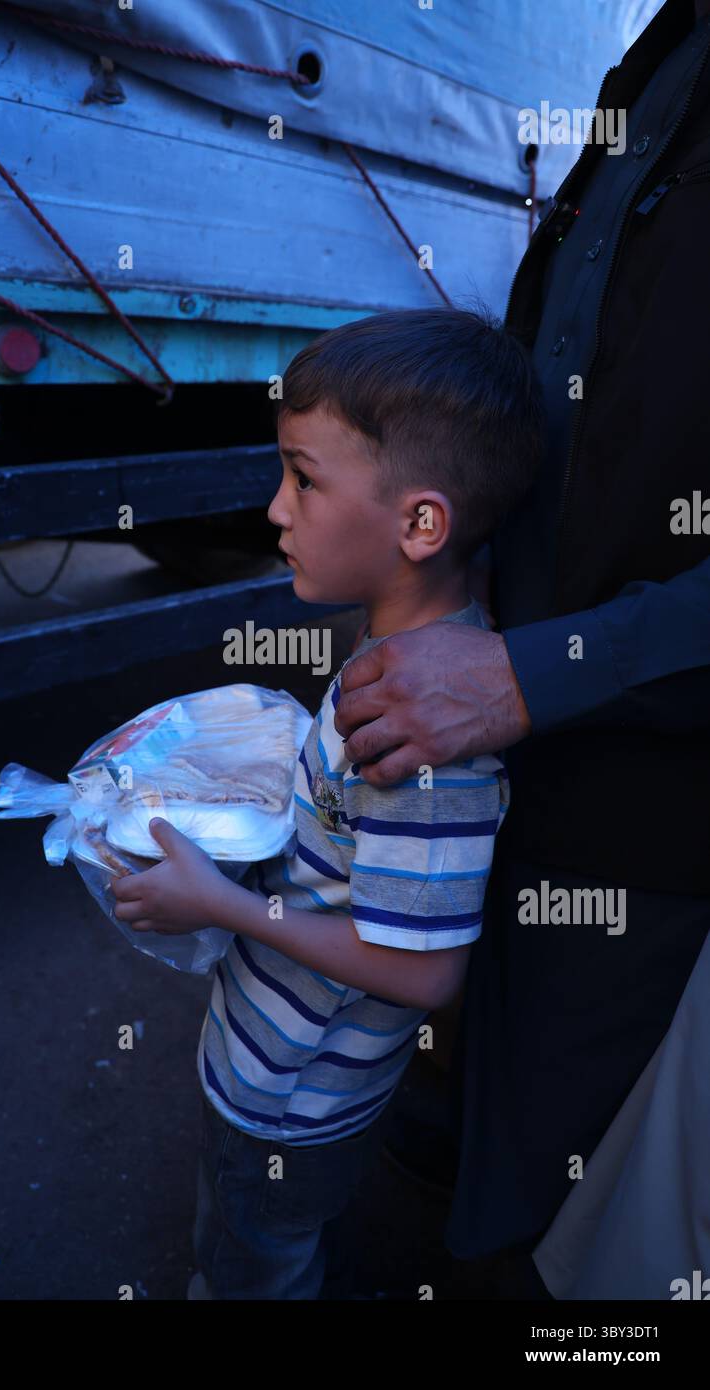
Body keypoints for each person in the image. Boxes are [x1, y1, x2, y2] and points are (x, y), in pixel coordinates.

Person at [332, 0, 710, 1295]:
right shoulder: (655, 56)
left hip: (643, 810)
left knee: (572, 1216)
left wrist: (527, 674)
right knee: (471, 1091)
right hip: (519, 770)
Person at [110, 307, 544, 1299]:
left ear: (419, 523)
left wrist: (217, 904)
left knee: (254, 1261)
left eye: (302, 478)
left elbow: (424, 972)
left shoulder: (419, 734)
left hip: (287, 1106)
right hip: (282, 1075)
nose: (274, 508)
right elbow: (350, 849)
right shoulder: (403, 661)